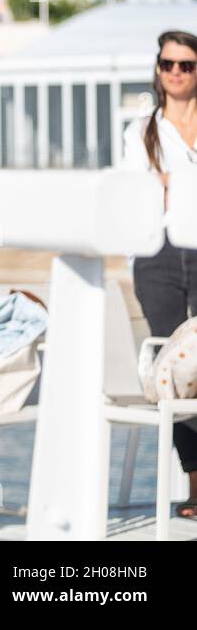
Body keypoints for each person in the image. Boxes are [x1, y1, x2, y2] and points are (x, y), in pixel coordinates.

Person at [121, 29, 197, 519]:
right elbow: (133, 194)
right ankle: (194, 486)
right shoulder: (141, 130)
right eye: (168, 64)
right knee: (177, 374)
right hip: (160, 258)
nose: (175, 73)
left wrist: (174, 182)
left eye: (186, 65)